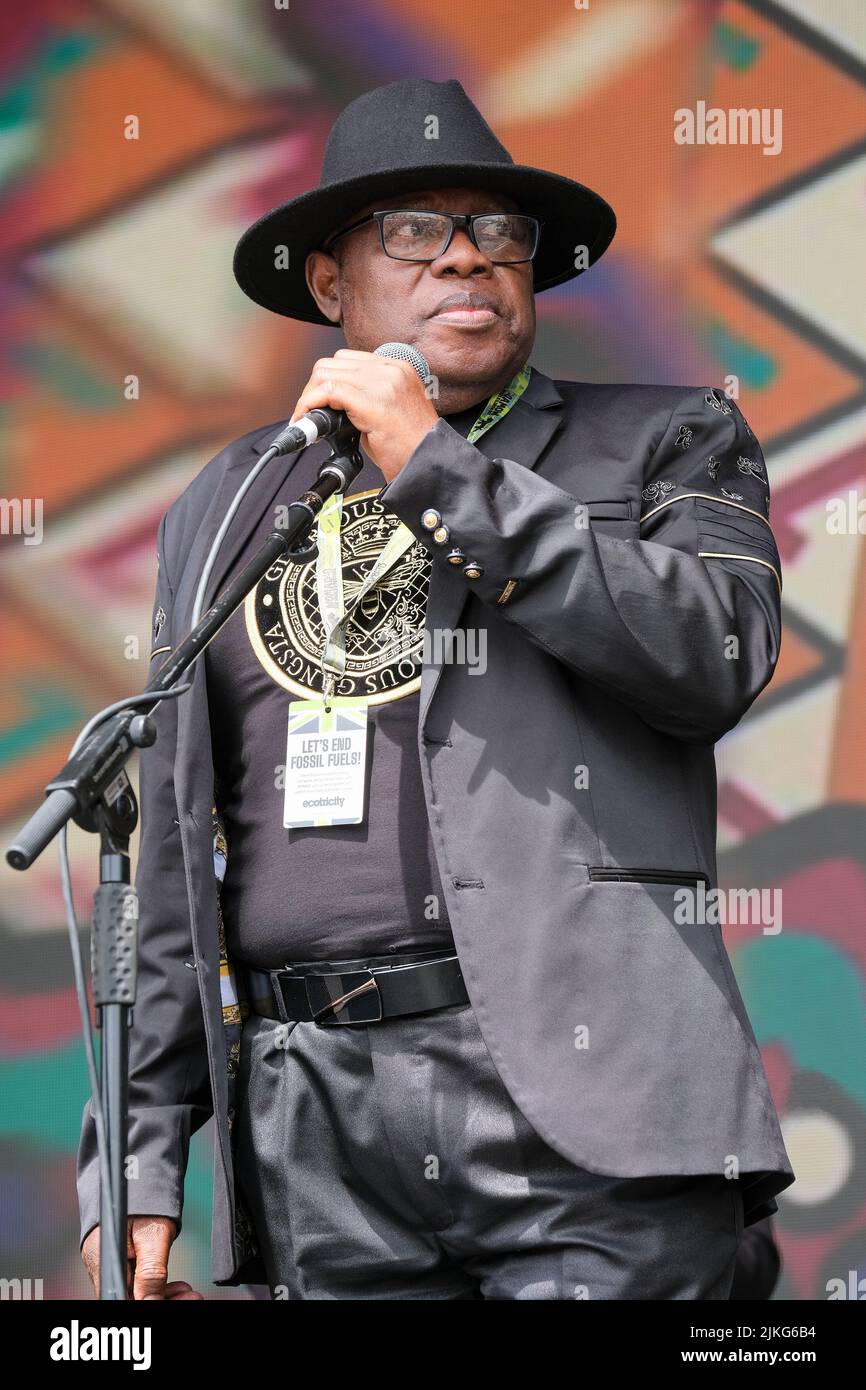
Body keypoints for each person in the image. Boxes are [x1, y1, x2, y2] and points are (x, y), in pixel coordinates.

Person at [78, 76, 794, 1301]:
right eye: (413, 230)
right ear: (328, 284)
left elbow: (712, 652)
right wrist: (139, 1162)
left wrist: (439, 468)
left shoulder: (666, 439)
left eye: (496, 233)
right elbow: (171, 858)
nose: (466, 257)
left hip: (586, 1113)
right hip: (312, 1127)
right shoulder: (229, 501)